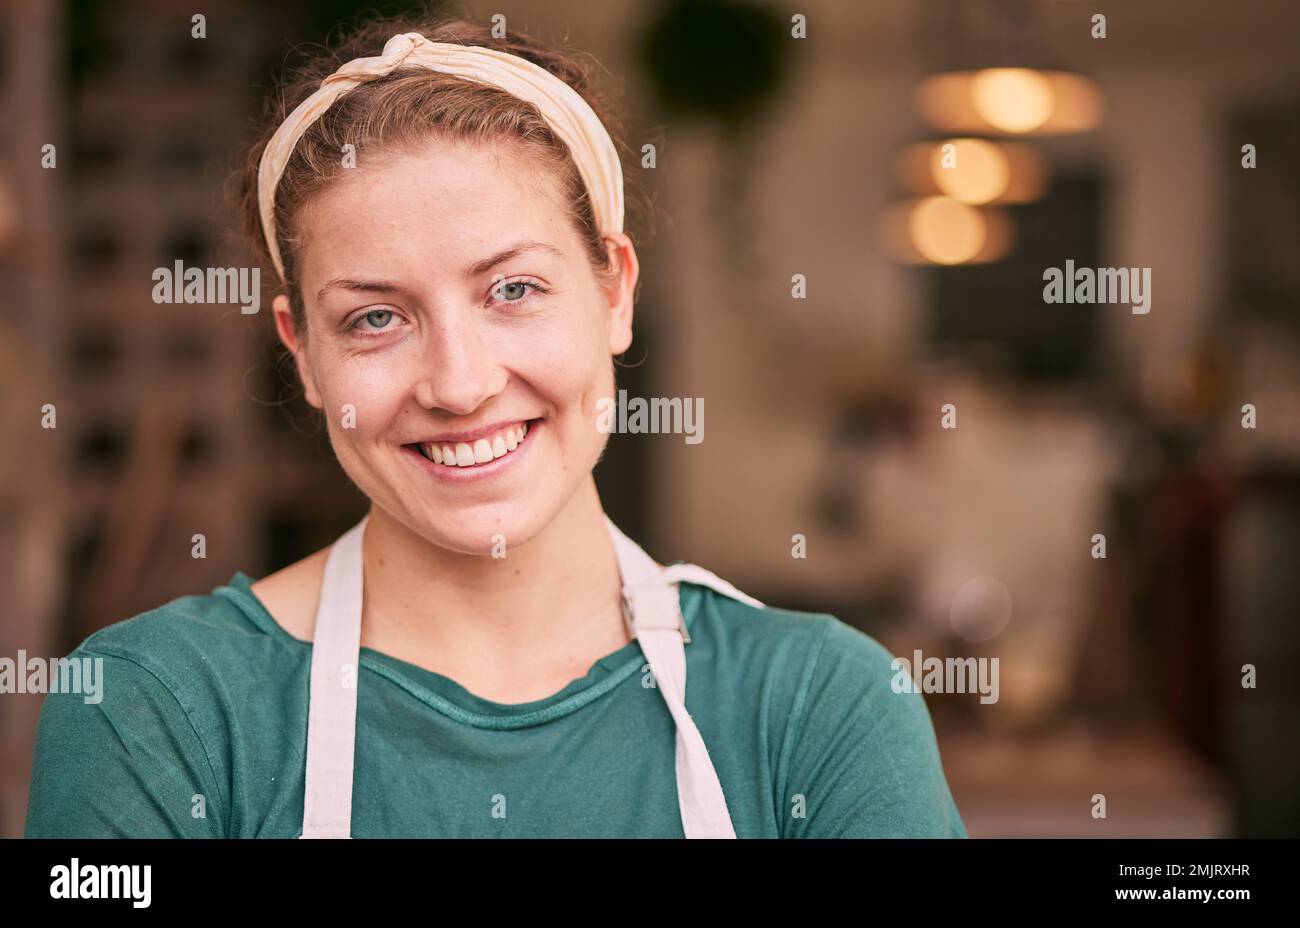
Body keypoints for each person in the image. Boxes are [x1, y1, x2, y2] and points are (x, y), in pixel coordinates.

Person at [24, 14, 967, 839]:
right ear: (303, 354)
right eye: (375, 317)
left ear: (615, 293)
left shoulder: (819, 709)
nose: (461, 384)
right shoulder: (158, 711)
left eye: (513, 290)